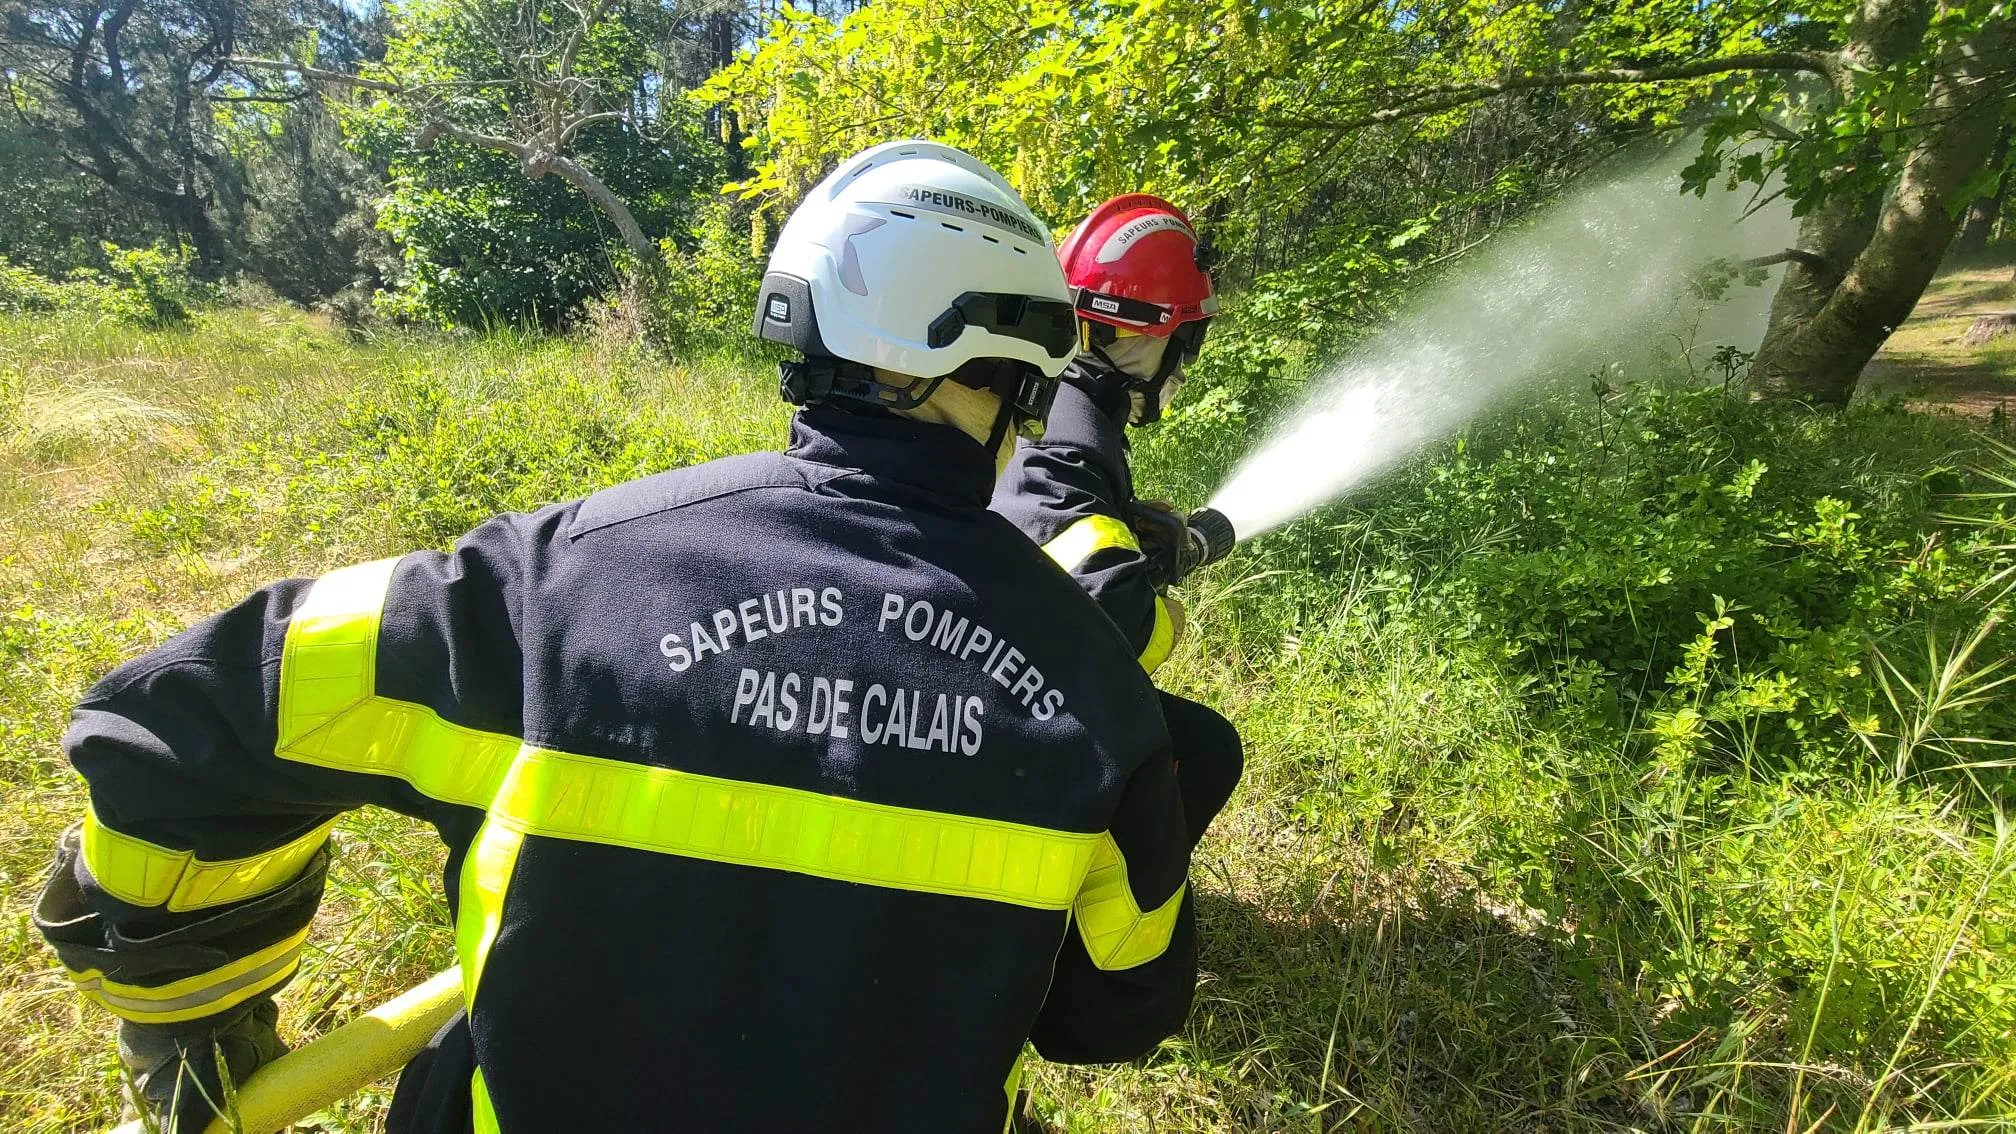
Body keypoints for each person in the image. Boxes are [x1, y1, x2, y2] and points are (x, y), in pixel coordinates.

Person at [34, 141, 1199, 1134]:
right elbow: (1119, 1016)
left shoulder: (550, 584)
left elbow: (165, 723)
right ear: (1019, 369)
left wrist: (197, 1027)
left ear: (806, 323)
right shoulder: (1090, 680)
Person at [991, 195, 1244, 853]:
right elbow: (1116, 621)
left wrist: (1125, 528)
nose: (1184, 368)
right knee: (1206, 749)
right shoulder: (1076, 433)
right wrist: (1153, 578)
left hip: (987, 667)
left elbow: (1038, 530)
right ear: (1151, 338)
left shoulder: (1058, 395)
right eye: (1183, 345)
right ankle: (1089, 937)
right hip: (1001, 701)